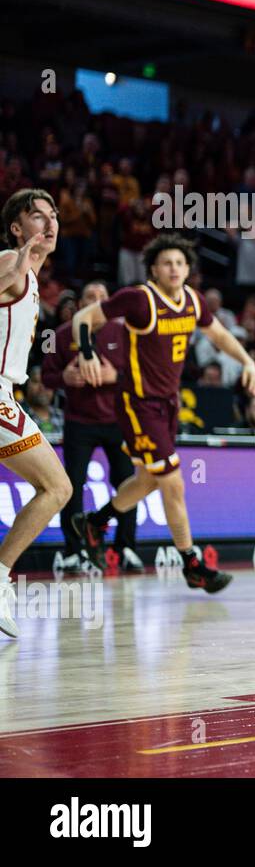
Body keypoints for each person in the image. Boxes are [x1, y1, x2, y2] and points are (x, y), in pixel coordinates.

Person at [69, 234, 255, 592]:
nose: (174, 268)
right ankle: (192, 564)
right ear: (154, 270)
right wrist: (87, 352)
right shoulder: (139, 299)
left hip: (168, 403)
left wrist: (248, 361)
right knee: (173, 482)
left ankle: (95, 522)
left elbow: (219, 335)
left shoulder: (192, 300)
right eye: (166, 263)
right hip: (138, 403)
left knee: (147, 481)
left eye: (179, 263)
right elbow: (83, 317)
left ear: (188, 269)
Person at [0, 189, 73, 638]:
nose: (49, 223)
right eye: (37, 216)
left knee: (55, 487)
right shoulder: (10, 261)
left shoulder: (32, 280)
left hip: (7, 392)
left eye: (54, 216)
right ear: (16, 228)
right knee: (57, 486)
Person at [44, 280, 142, 572]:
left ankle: (126, 548)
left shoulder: (125, 332)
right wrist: (64, 378)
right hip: (79, 422)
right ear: (80, 304)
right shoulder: (61, 335)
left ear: (110, 304)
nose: (96, 300)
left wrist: (117, 377)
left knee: (128, 483)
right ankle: (74, 551)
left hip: (119, 420)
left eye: (102, 296)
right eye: (90, 296)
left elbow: (141, 375)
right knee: (71, 487)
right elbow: (46, 376)